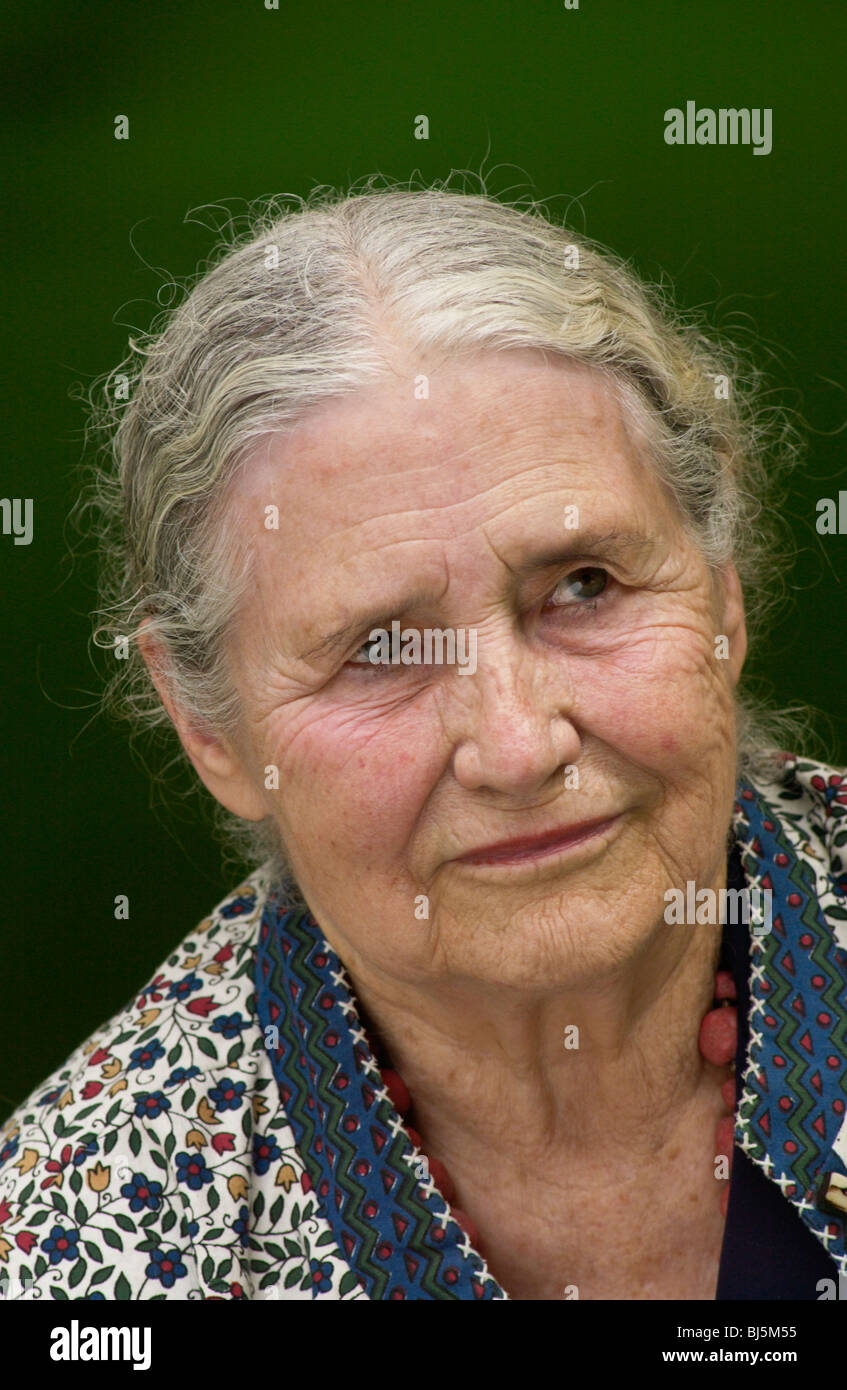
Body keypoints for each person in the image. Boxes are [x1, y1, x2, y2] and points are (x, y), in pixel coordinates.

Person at [2, 181, 846, 1301]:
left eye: (584, 586)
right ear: (209, 726)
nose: (516, 743)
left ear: (723, 593)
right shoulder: (76, 1241)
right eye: (378, 650)